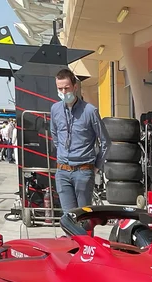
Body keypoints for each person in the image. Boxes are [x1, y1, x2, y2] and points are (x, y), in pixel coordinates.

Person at [50, 67, 110, 211]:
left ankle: (86, 234)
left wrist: (96, 166)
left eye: (66, 88)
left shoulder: (90, 111)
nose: (63, 92)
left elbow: (105, 142)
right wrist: (62, 153)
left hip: (83, 172)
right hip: (62, 172)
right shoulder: (55, 109)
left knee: (84, 217)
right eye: (60, 88)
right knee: (68, 218)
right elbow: (55, 134)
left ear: (75, 87)